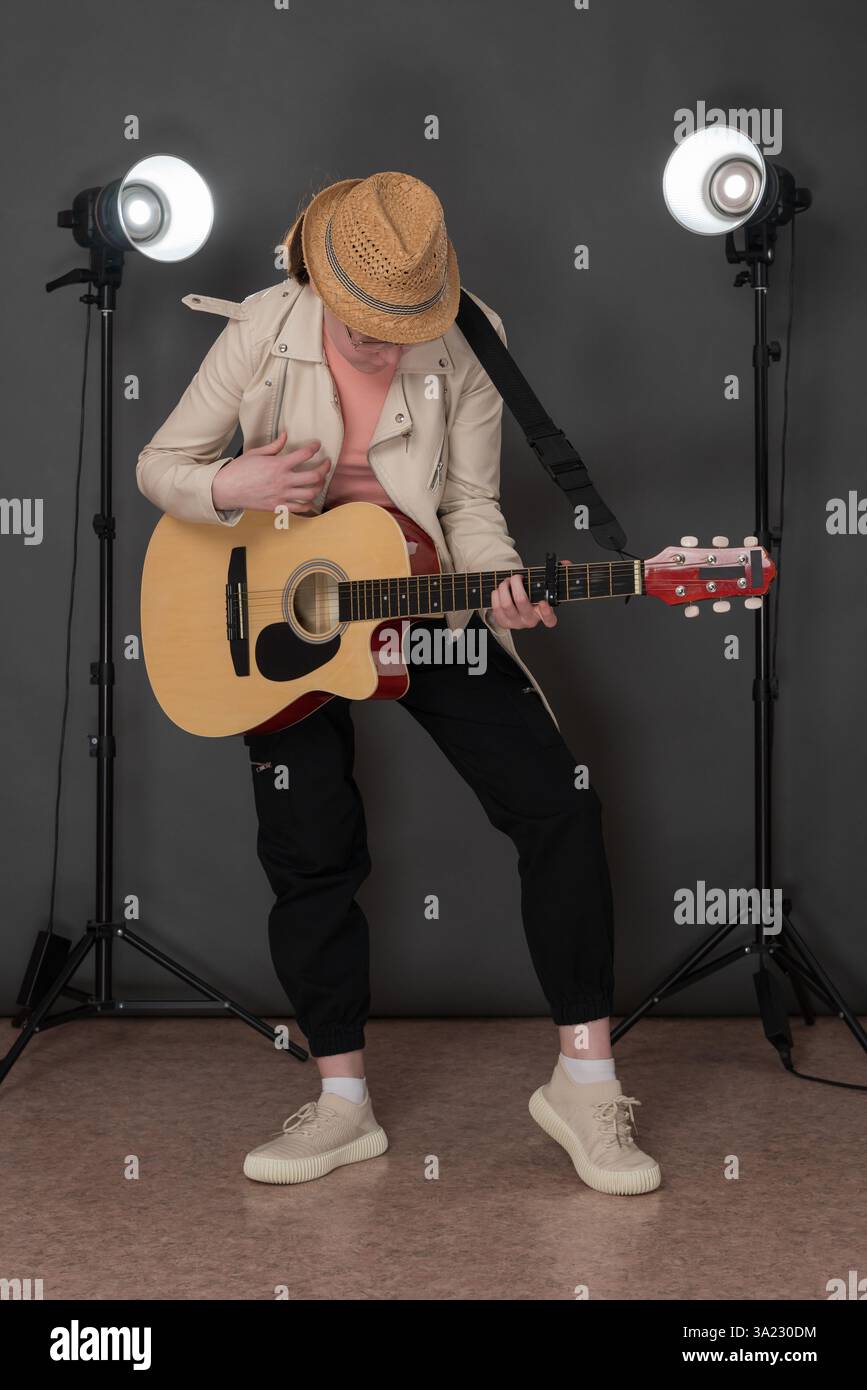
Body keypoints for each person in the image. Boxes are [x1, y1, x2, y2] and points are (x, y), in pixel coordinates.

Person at [137, 171, 661, 1196]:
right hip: (272, 617)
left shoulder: (469, 338)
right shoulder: (261, 327)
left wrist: (498, 583)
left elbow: (470, 505)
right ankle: (342, 1103)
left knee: (557, 801)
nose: (387, 346)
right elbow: (162, 465)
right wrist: (226, 485)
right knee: (310, 845)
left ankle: (586, 1081)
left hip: (420, 606)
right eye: (368, 327)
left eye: (402, 327)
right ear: (321, 284)